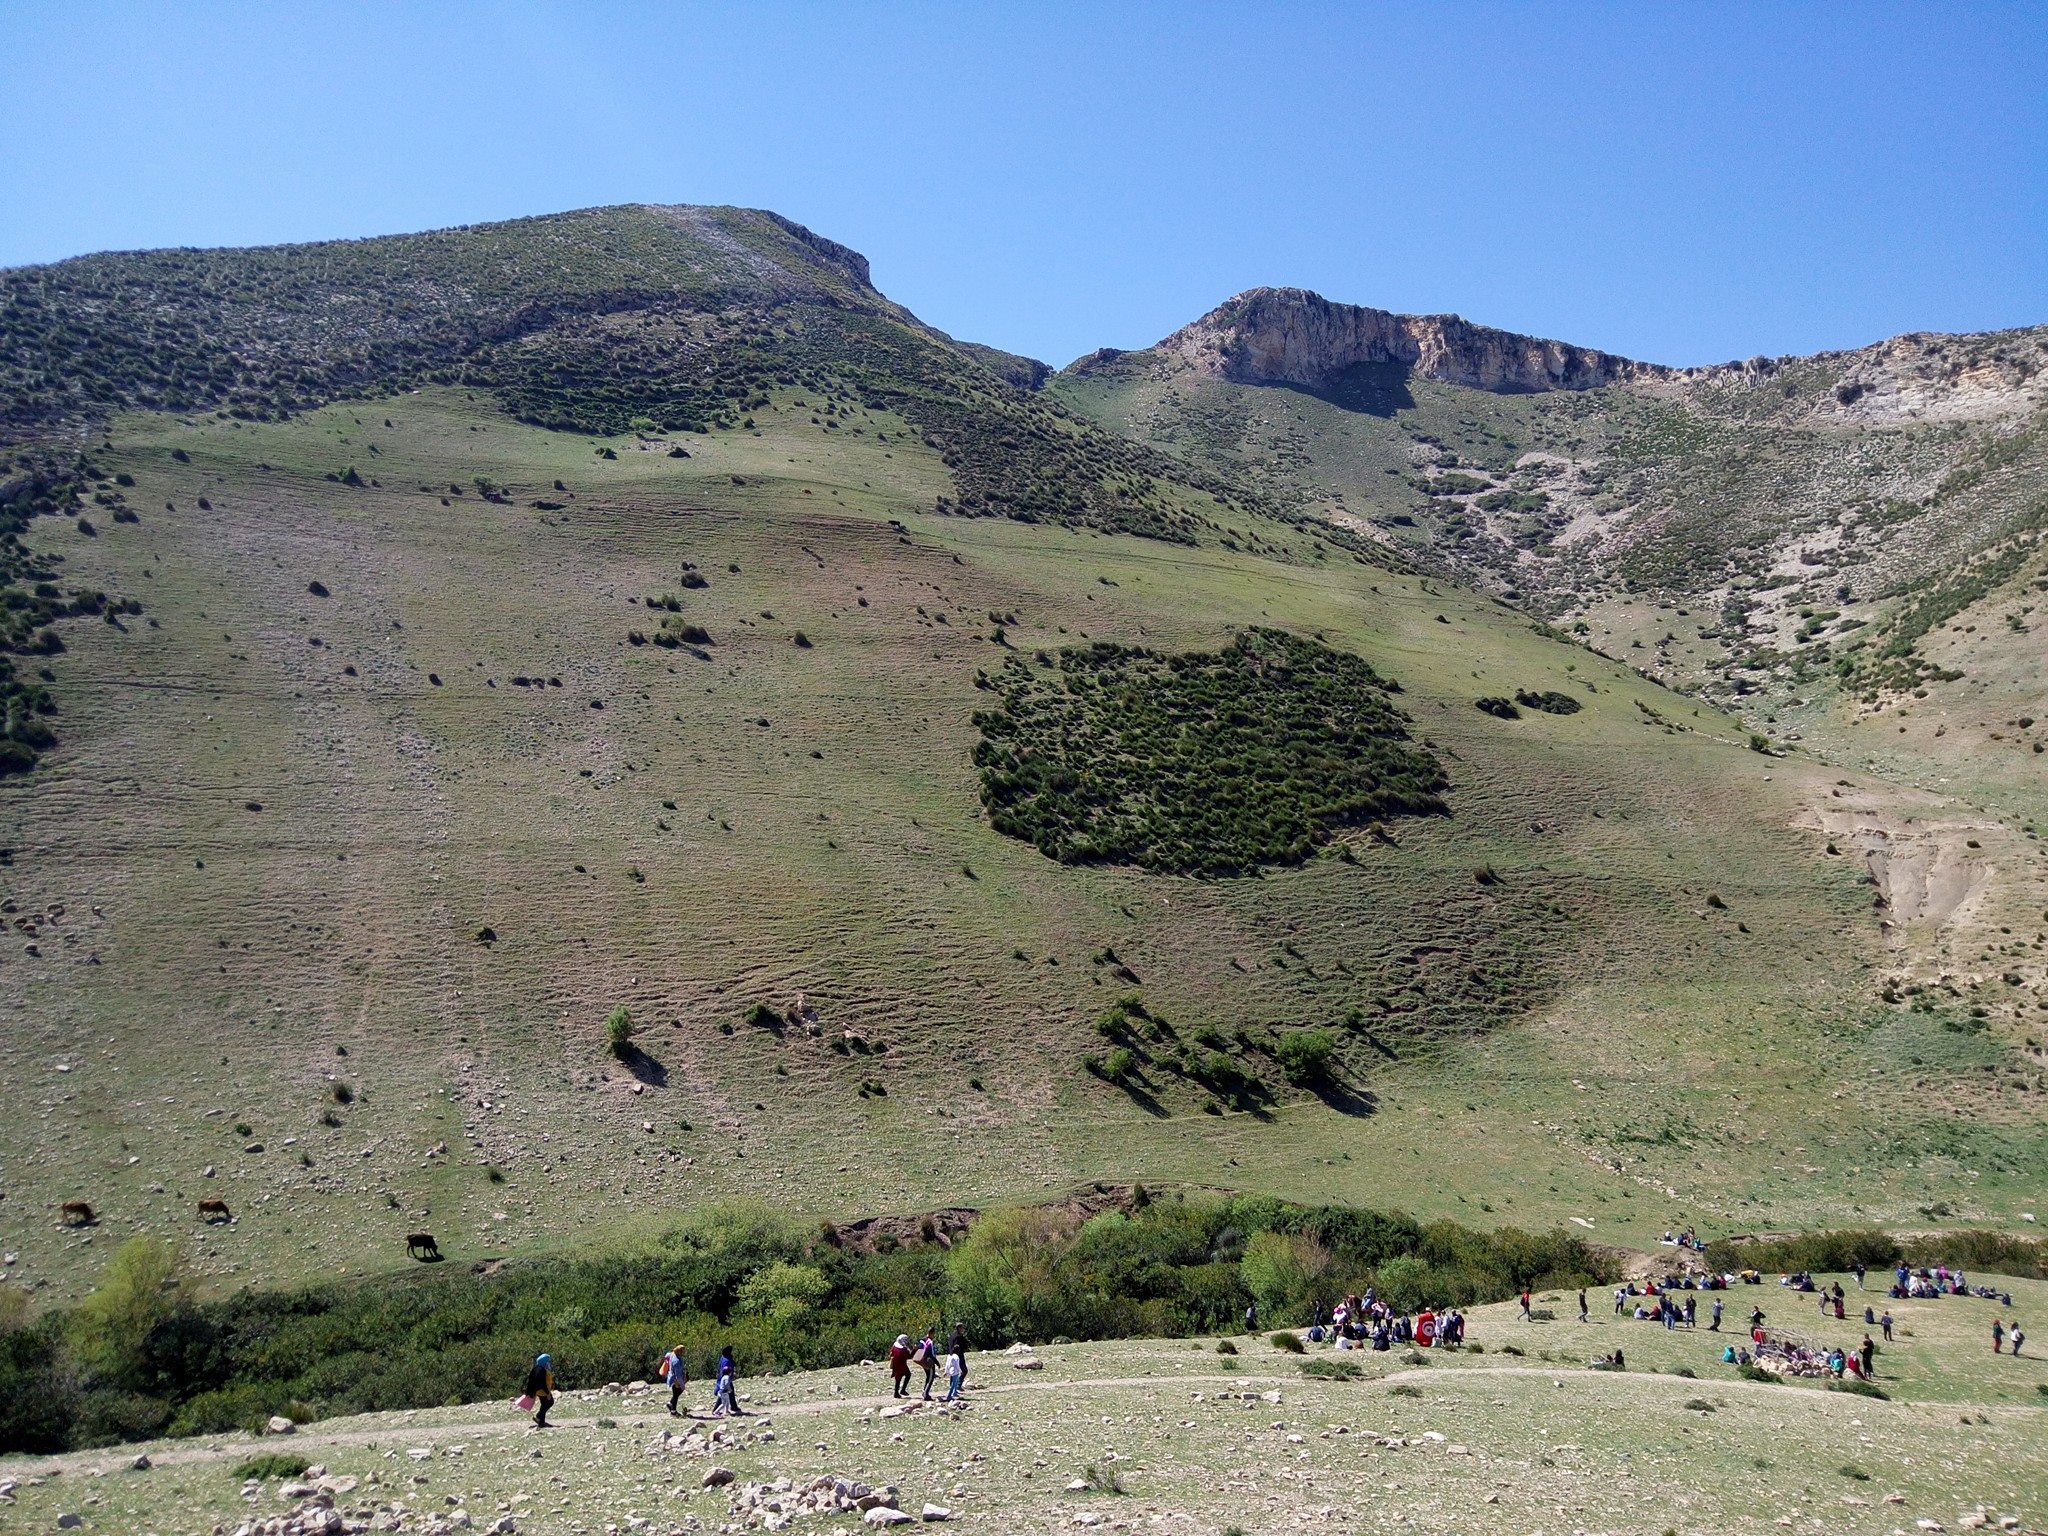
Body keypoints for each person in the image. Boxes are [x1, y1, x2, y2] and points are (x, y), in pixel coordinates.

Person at [524, 1353, 556, 1429]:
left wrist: (529, 1391)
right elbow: (542, 1383)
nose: (549, 1362)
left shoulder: (536, 1368)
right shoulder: (542, 1370)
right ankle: (538, 1416)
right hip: (543, 1391)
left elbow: (530, 1380)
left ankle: (541, 1422)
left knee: (544, 1404)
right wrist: (547, 1393)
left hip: (538, 1391)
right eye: (547, 1361)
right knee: (550, 1402)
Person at [658, 1344, 688, 1417]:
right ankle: (673, 1411)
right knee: (676, 1394)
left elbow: (667, 1355)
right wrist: (682, 1385)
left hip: (671, 1377)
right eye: (683, 1351)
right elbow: (678, 1376)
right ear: (679, 1351)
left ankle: (672, 1407)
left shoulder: (671, 1354)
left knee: (676, 1395)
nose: (684, 1353)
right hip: (676, 1380)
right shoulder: (676, 1361)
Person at [713, 1346, 741, 1415]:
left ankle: (734, 1407)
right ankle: (715, 1410)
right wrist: (730, 1377)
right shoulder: (727, 1360)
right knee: (723, 1394)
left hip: (724, 1378)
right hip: (725, 1379)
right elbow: (726, 1370)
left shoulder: (723, 1358)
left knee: (731, 1391)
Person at [943, 1332, 967, 1402]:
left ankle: (953, 1393)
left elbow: (947, 1364)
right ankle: (950, 1395)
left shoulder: (949, 1356)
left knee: (952, 1383)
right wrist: (960, 1370)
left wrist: (946, 1371)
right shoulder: (957, 1357)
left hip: (950, 1371)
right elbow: (957, 1365)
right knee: (954, 1384)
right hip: (956, 1372)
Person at [916, 1330, 938, 1400]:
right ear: (931, 1333)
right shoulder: (929, 1342)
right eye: (933, 1334)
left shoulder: (922, 1340)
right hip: (929, 1362)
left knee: (928, 1376)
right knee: (931, 1378)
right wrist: (936, 1362)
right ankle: (926, 1394)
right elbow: (931, 1353)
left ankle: (924, 1392)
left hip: (922, 1361)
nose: (934, 1336)